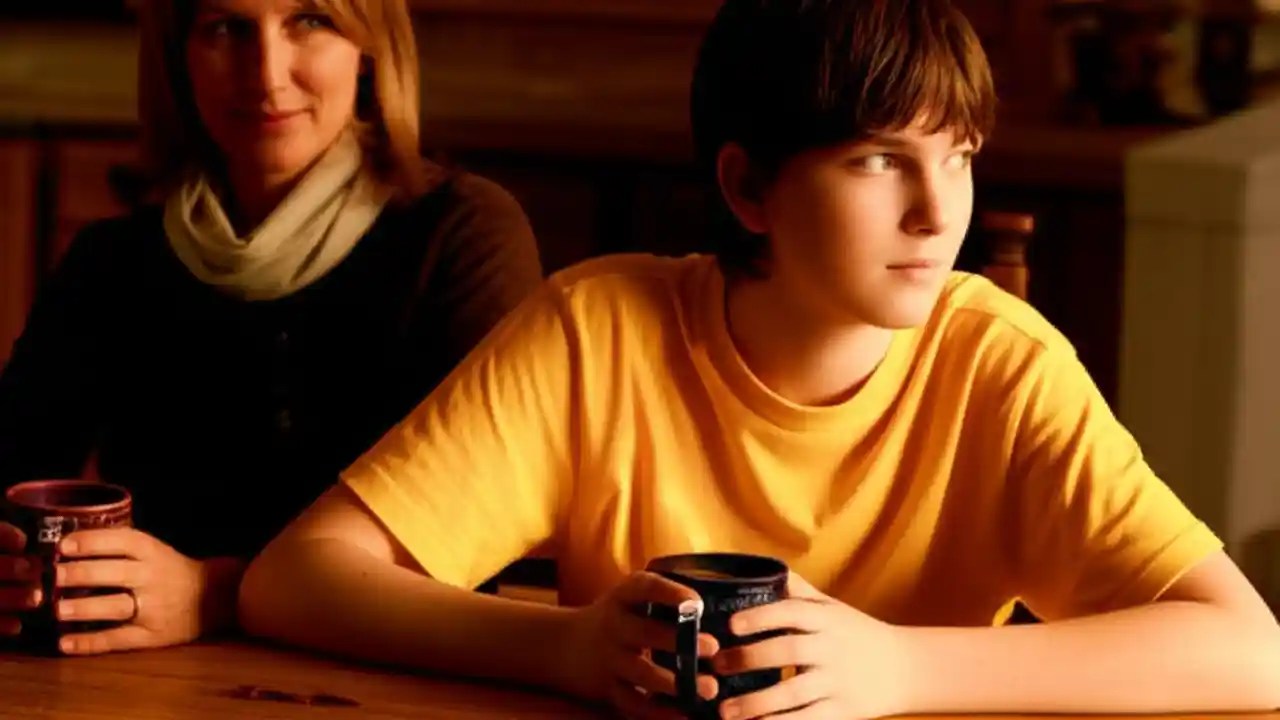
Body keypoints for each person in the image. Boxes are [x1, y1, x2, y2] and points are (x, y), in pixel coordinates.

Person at [239, 0, 1280, 717]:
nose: (935, 212)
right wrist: (563, 648)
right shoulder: (596, 330)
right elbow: (296, 580)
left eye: (956, 156)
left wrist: (899, 668)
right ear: (747, 190)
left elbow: (1249, 648)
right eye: (878, 160)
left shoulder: (997, 364)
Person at [0, 0, 542, 656]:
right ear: (178, 58)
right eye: (226, 28)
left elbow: (472, 539)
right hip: (150, 680)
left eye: (310, 20)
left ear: (369, 50)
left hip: (398, 678)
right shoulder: (113, 258)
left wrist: (218, 593)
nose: (267, 74)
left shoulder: (464, 233)